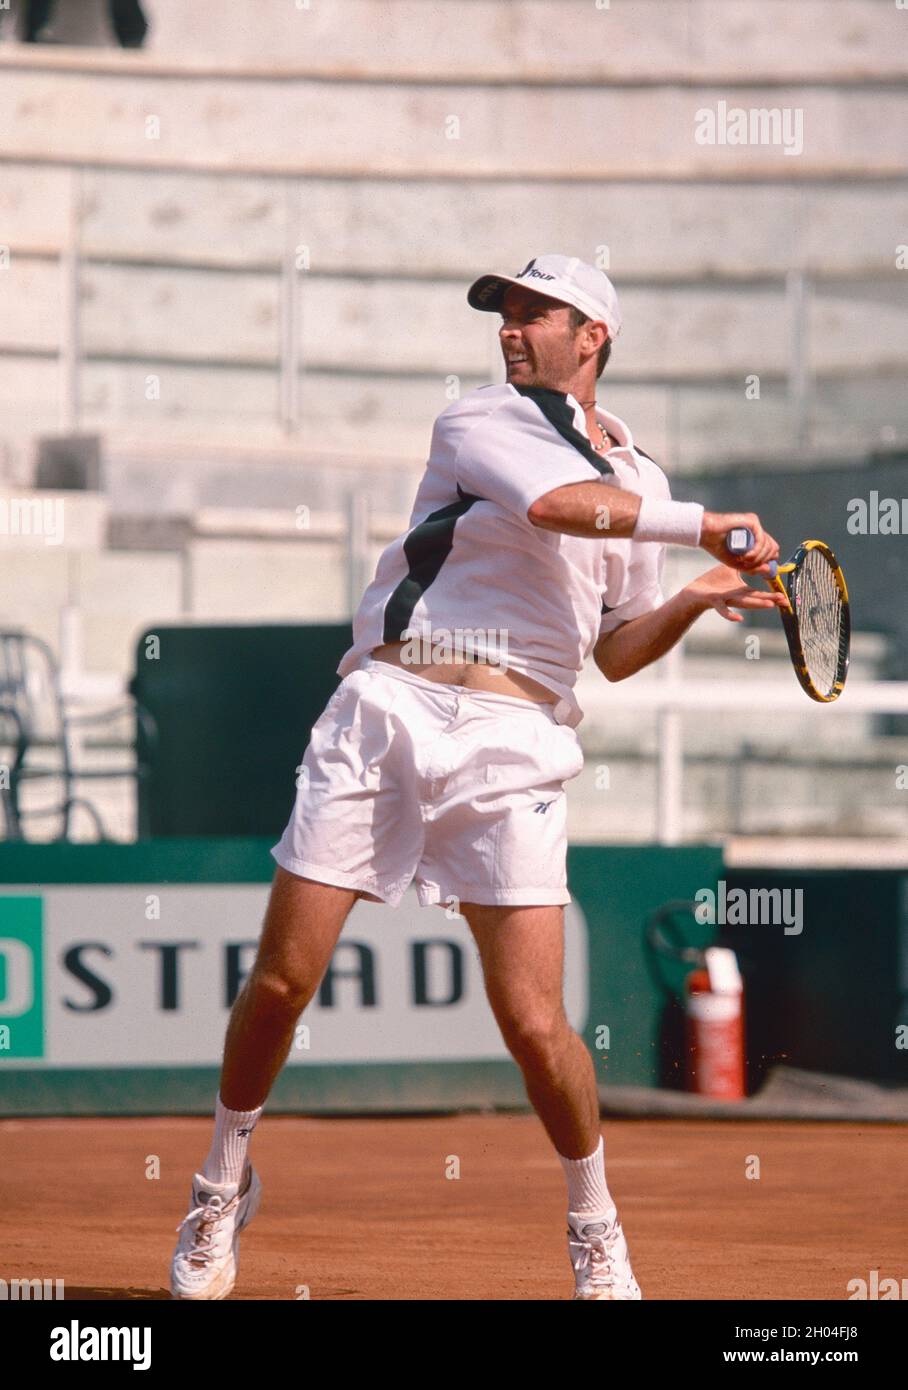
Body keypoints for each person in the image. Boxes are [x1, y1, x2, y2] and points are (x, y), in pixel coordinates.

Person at [170, 254, 784, 1301]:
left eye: (533, 312)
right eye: (502, 311)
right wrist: (707, 524)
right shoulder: (479, 422)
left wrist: (691, 595)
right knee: (282, 980)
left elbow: (614, 646)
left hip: (515, 738)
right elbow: (553, 505)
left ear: (592, 334)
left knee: (534, 1024)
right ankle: (219, 1184)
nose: (508, 326)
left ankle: (594, 1225)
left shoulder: (642, 482)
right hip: (387, 707)